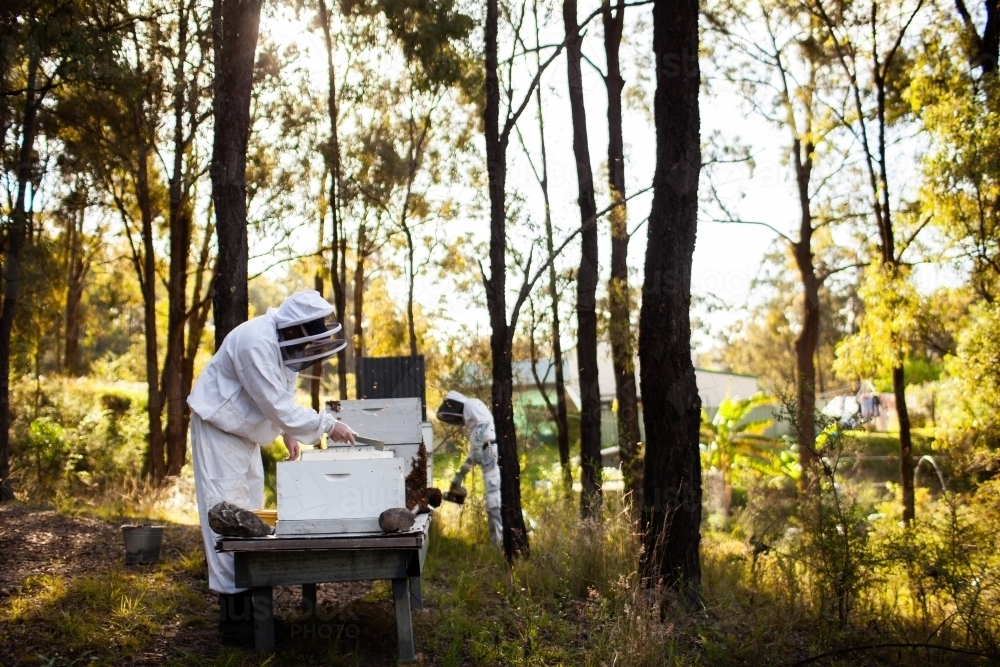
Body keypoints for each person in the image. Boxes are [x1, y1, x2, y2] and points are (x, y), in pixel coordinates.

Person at [187, 290, 356, 645]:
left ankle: (253, 613)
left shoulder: (281, 344)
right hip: (219, 430)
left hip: (243, 431)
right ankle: (234, 625)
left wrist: (287, 434)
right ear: (294, 330)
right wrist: (327, 425)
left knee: (249, 515)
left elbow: (280, 400)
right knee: (225, 516)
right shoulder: (254, 343)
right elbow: (276, 403)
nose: (306, 350)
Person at [436, 391, 502, 547]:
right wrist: (458, 477)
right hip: (487, 452)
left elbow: (484, 421)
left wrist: (478, 445)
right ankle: (496, 544)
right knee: (492, 500)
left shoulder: (472, 403)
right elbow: (472, 457)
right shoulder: (474, 431)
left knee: (494, 500)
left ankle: (499, 545)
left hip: (491, 451)